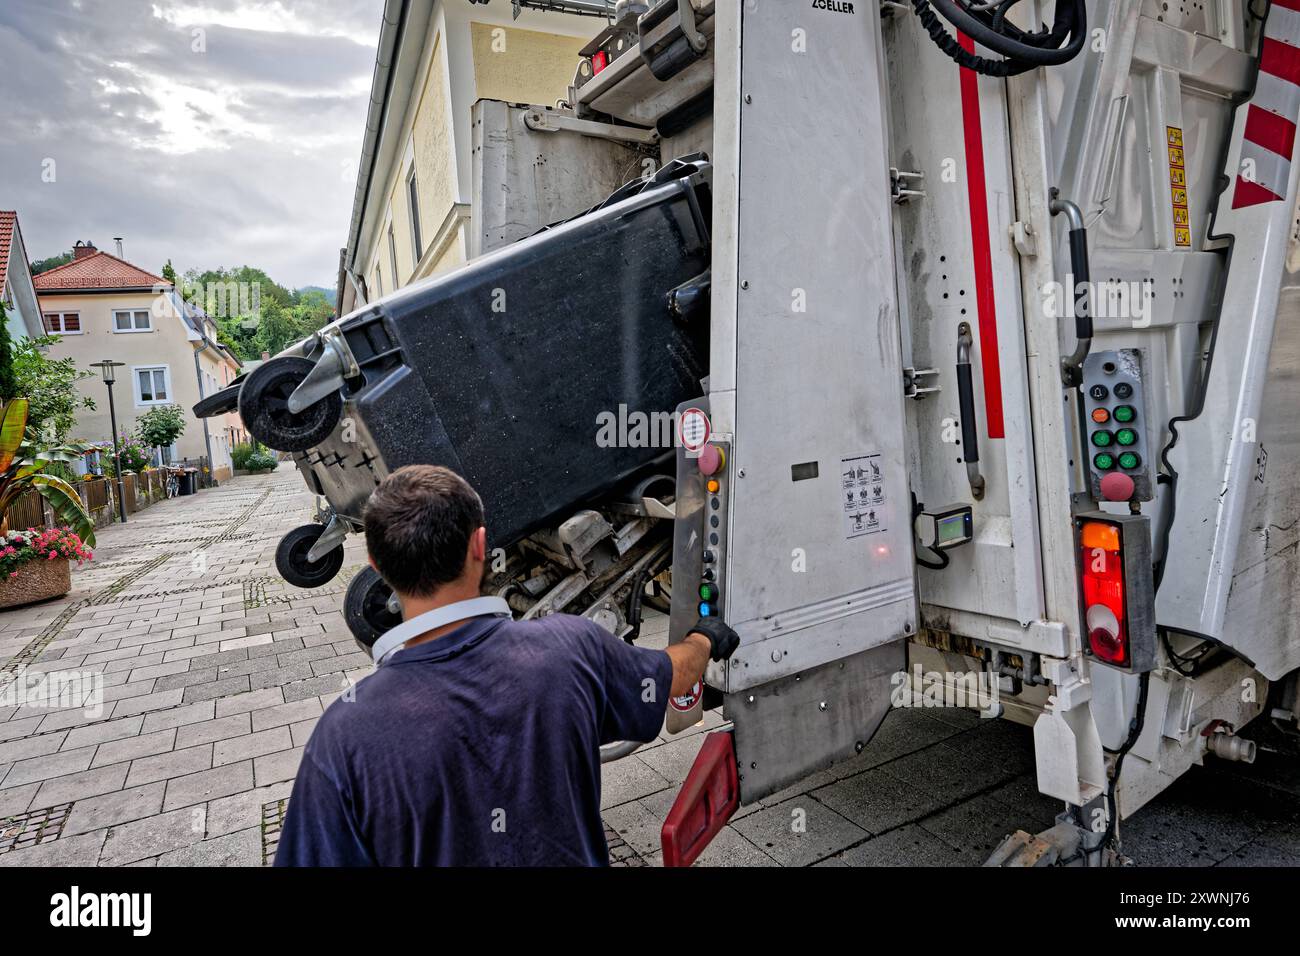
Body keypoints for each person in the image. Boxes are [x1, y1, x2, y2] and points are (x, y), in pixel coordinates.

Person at [275, 464, 739, 866]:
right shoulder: (570, 647)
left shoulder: (344, 735)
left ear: (376, 565)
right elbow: (669, 675)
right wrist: (705, 638)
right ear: (480, 545)